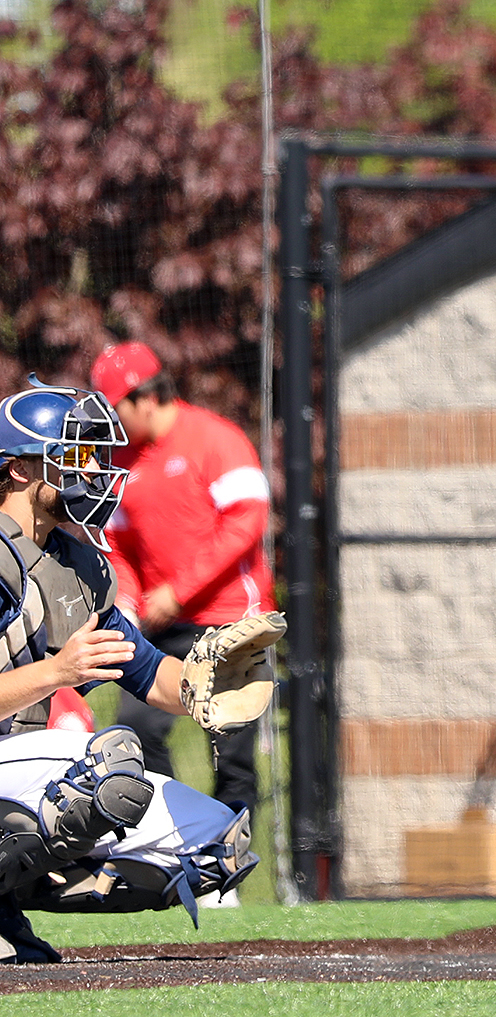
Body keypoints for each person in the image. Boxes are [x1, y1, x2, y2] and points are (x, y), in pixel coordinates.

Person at [0, 380, 258, 963]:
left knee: (215, 840)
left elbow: (147, 670)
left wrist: (211, 688)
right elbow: (57, 676)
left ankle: (9, 903)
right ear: (18, 469)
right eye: (71, 455)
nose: (89, 468)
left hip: (17, 768)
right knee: (104, 766)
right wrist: (56, 671)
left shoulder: (77, 564)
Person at [89, 343, 272, 841]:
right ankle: (176, 844)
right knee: (138, 731)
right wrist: (124, 600)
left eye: (115, 408)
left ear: (144, 398)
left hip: (231, 620)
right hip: (161, 627)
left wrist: (178, 590)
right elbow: (118, 547)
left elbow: (247, 520)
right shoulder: (124, 462)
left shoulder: (215, 439)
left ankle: (228, 862)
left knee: (230, 745)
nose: (114, 421)